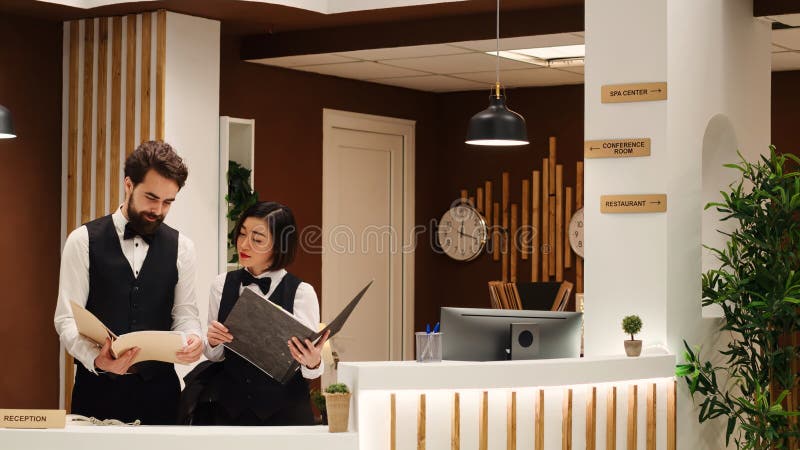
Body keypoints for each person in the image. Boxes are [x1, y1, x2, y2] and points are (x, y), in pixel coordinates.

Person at [54, 140, 203, 425]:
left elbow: (185, 314)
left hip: (161, 397)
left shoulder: (183, 248)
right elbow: (66, 319)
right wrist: (97, 359)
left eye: (168, 202)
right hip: (96, 392)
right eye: (151, 197)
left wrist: (193, 338)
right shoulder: (82, 241)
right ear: (128, 185)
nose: (158, 209)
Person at [190, 201, 329, 425]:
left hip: (286, 416)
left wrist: (313, 362)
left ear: (279, 245)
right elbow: (215, 356)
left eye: (257, 239)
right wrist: (213, 342)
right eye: (242, 233)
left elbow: (309, 372)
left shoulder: (302, 293)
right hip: (229, 414)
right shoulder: (221, 285)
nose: (244, 244)